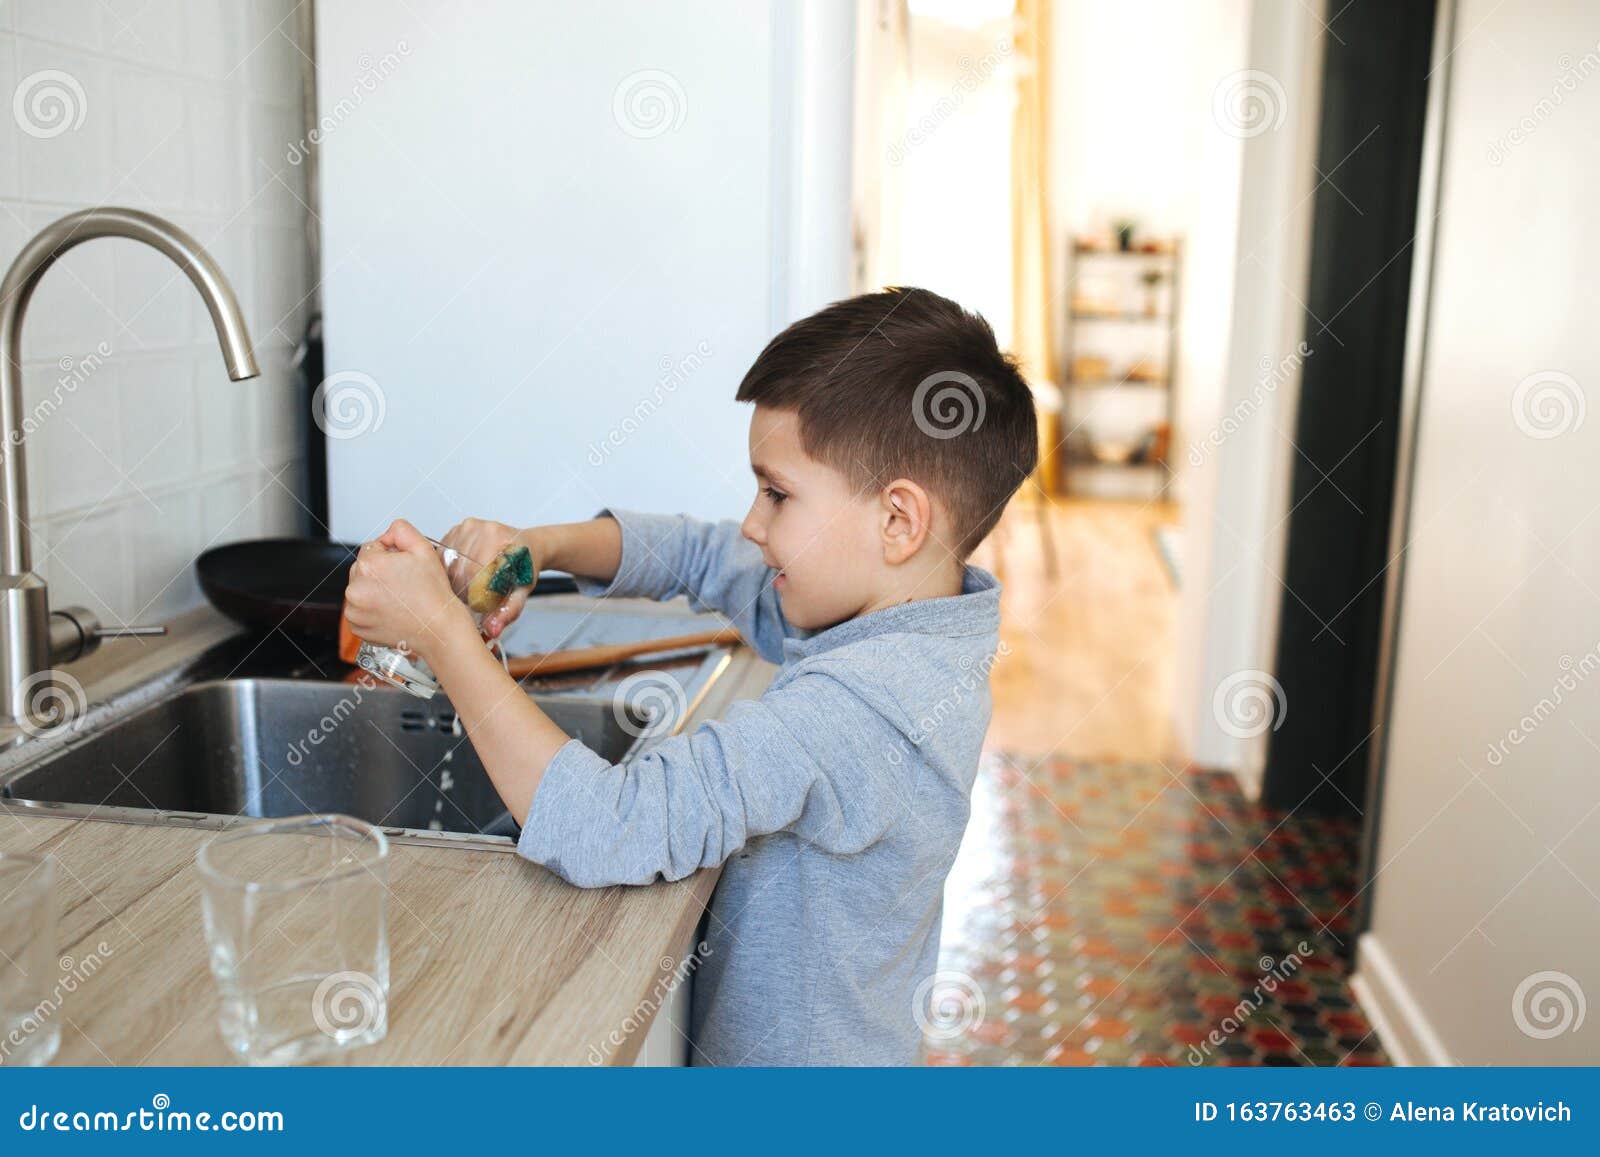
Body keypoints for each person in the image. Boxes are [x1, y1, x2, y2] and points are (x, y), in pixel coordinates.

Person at [344, 287, 1039, 1064]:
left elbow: (611, 824)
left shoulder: (865, 706)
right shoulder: (903, 621)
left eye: (777, 493)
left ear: (899, 522)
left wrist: (442, 634)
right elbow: (704, 555)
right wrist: (540, 547)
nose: (752, 521)